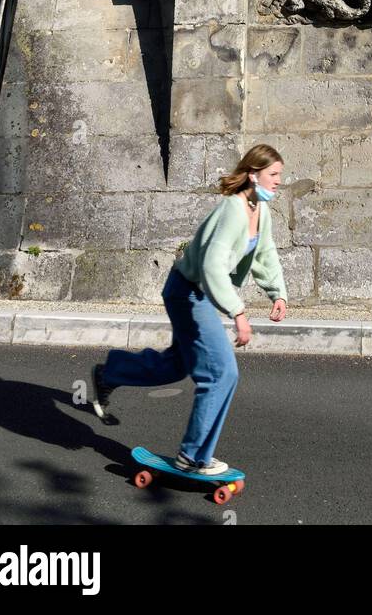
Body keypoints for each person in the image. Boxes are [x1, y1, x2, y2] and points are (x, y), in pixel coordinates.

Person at [89, 144, 287, 475]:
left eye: (280, 174)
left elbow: (265, 252)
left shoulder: (260, 210)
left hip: (202, 294)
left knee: (175, 366)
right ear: (254, 175)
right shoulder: (233, 210)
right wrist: (238, 313)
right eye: (274, 174)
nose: (280, 180)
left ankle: (110, 372)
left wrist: (277, 293)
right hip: (189, 293)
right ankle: (192, 456)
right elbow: (212, 265)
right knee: (221, 373)